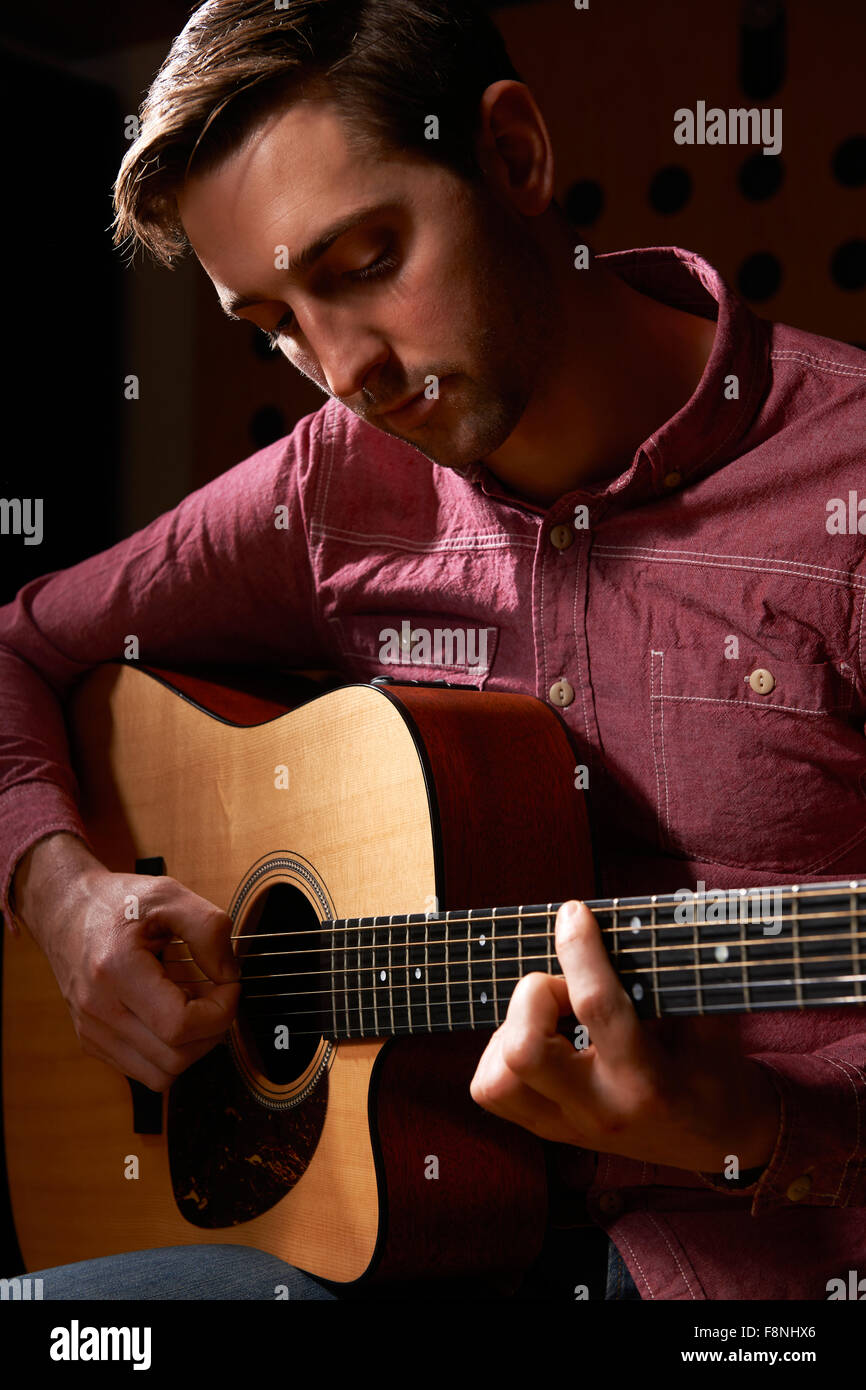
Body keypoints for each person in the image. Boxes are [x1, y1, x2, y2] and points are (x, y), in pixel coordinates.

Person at [2, 0, 865, 1302]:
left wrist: (751, 1136)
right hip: (403, 1218)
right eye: (270, 325)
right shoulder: (331, 488)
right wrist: (66, 900)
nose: (340, 369)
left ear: (512, 155)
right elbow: (15, 646)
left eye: (359, 262)